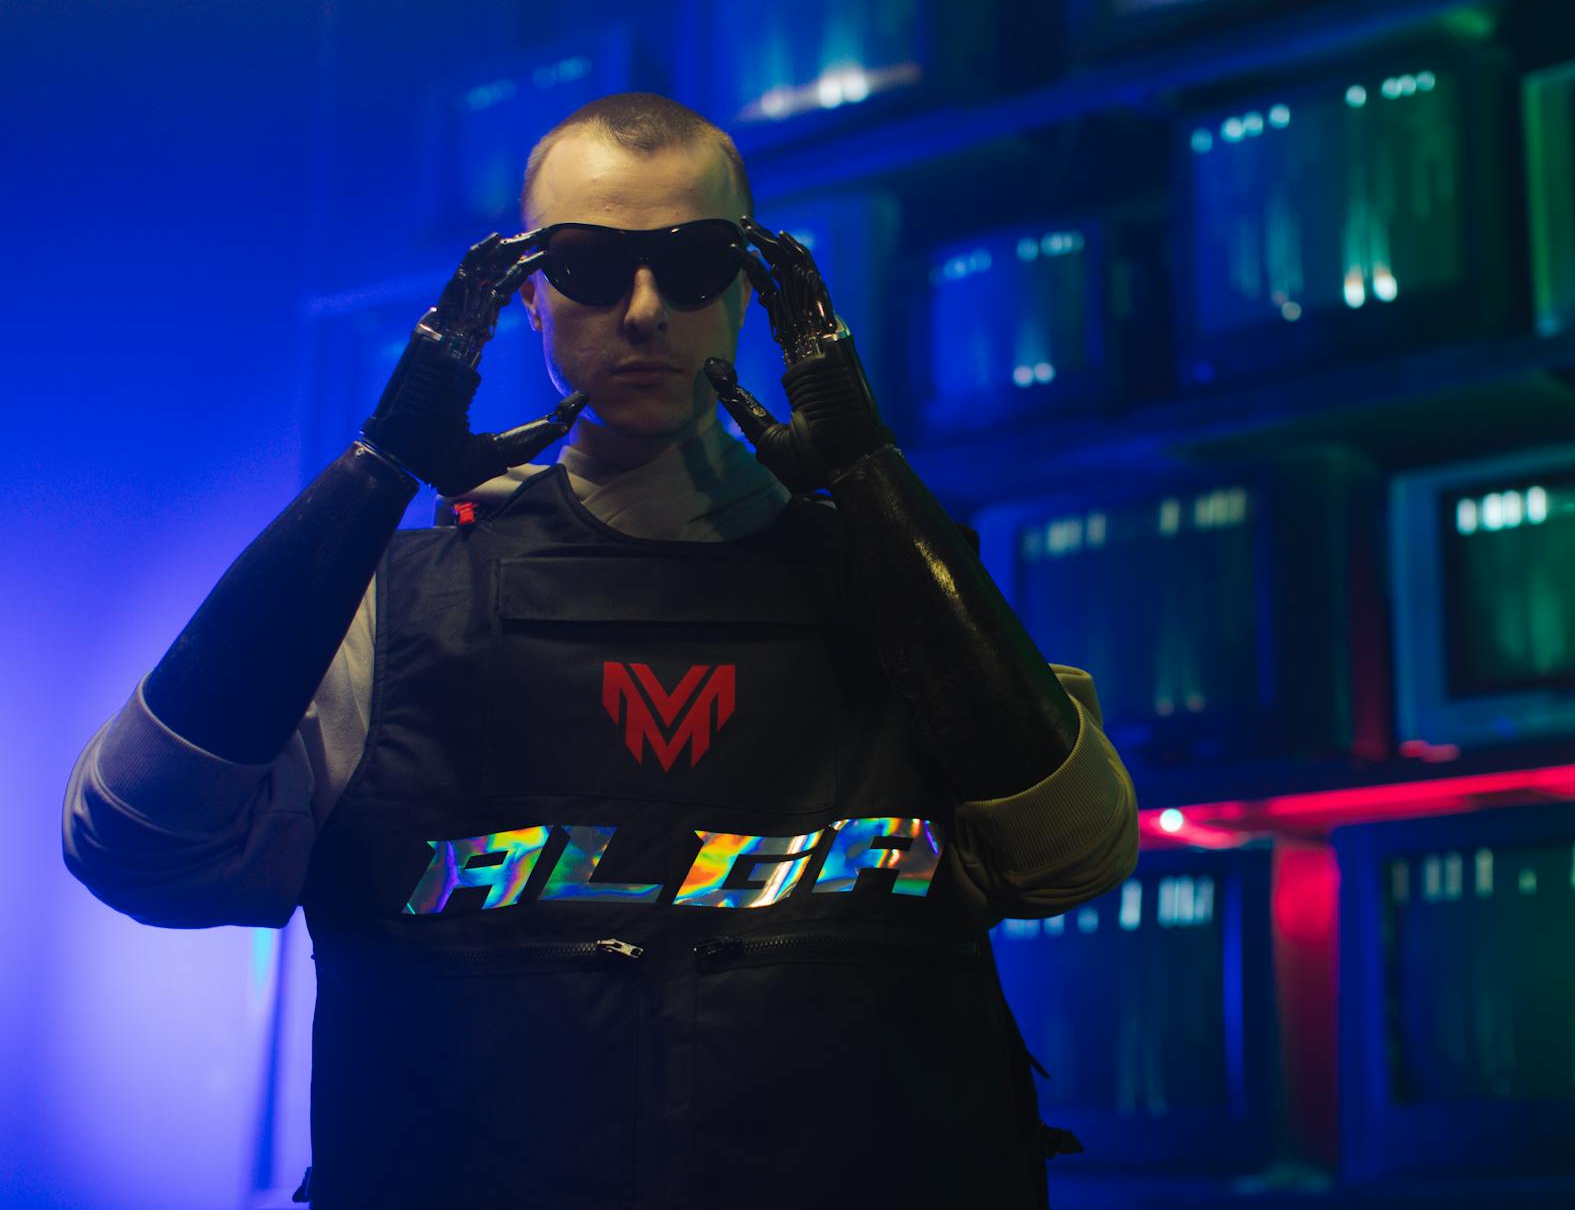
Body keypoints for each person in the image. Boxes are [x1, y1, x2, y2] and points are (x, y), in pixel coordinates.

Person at [64, 92, 1137, 1209]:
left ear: (747, 290)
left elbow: (1077, 853)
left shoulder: (901, 588)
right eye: (583, 264)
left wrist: (870, 476)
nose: (641, 310)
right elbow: (134, 844)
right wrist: (375, 468)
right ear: (524, 294)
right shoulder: (392, 603)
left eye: (693, 261)